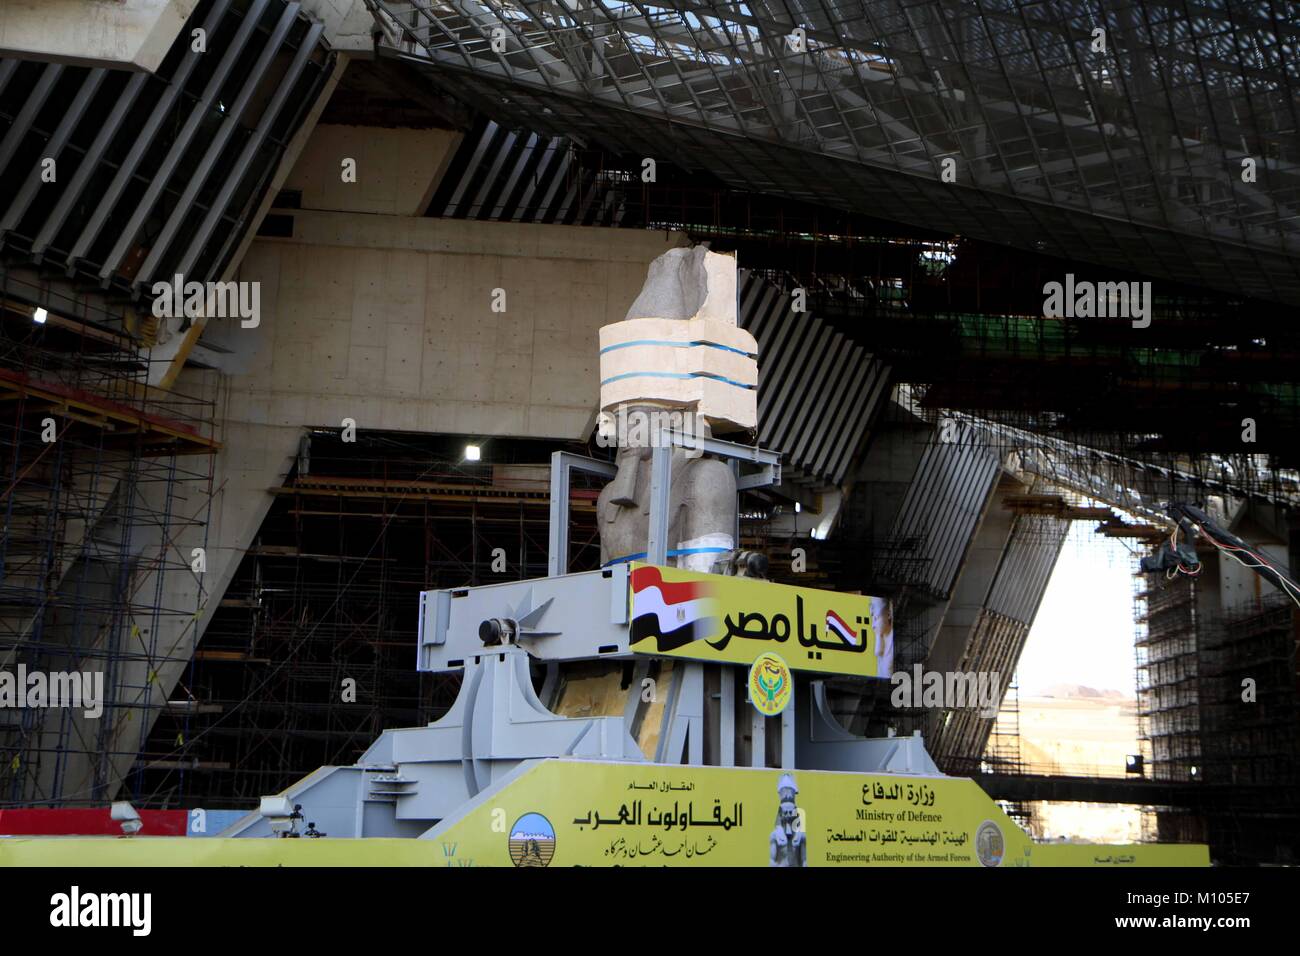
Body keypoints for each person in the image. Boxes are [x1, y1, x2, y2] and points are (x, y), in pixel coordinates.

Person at [769, 773, 806, 867]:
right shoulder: (774, 836)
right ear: (781, 813)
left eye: (791, 812)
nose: (788, 816)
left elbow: (804, 861)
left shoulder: (801, 836)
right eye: (786, 813)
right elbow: (772, 862)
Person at [870, 596, 894, 679]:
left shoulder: (892, 642)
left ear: (888, 614)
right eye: (872, 618)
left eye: (876, 618)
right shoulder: (881, 637)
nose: (872, 625)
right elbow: (878, 652)